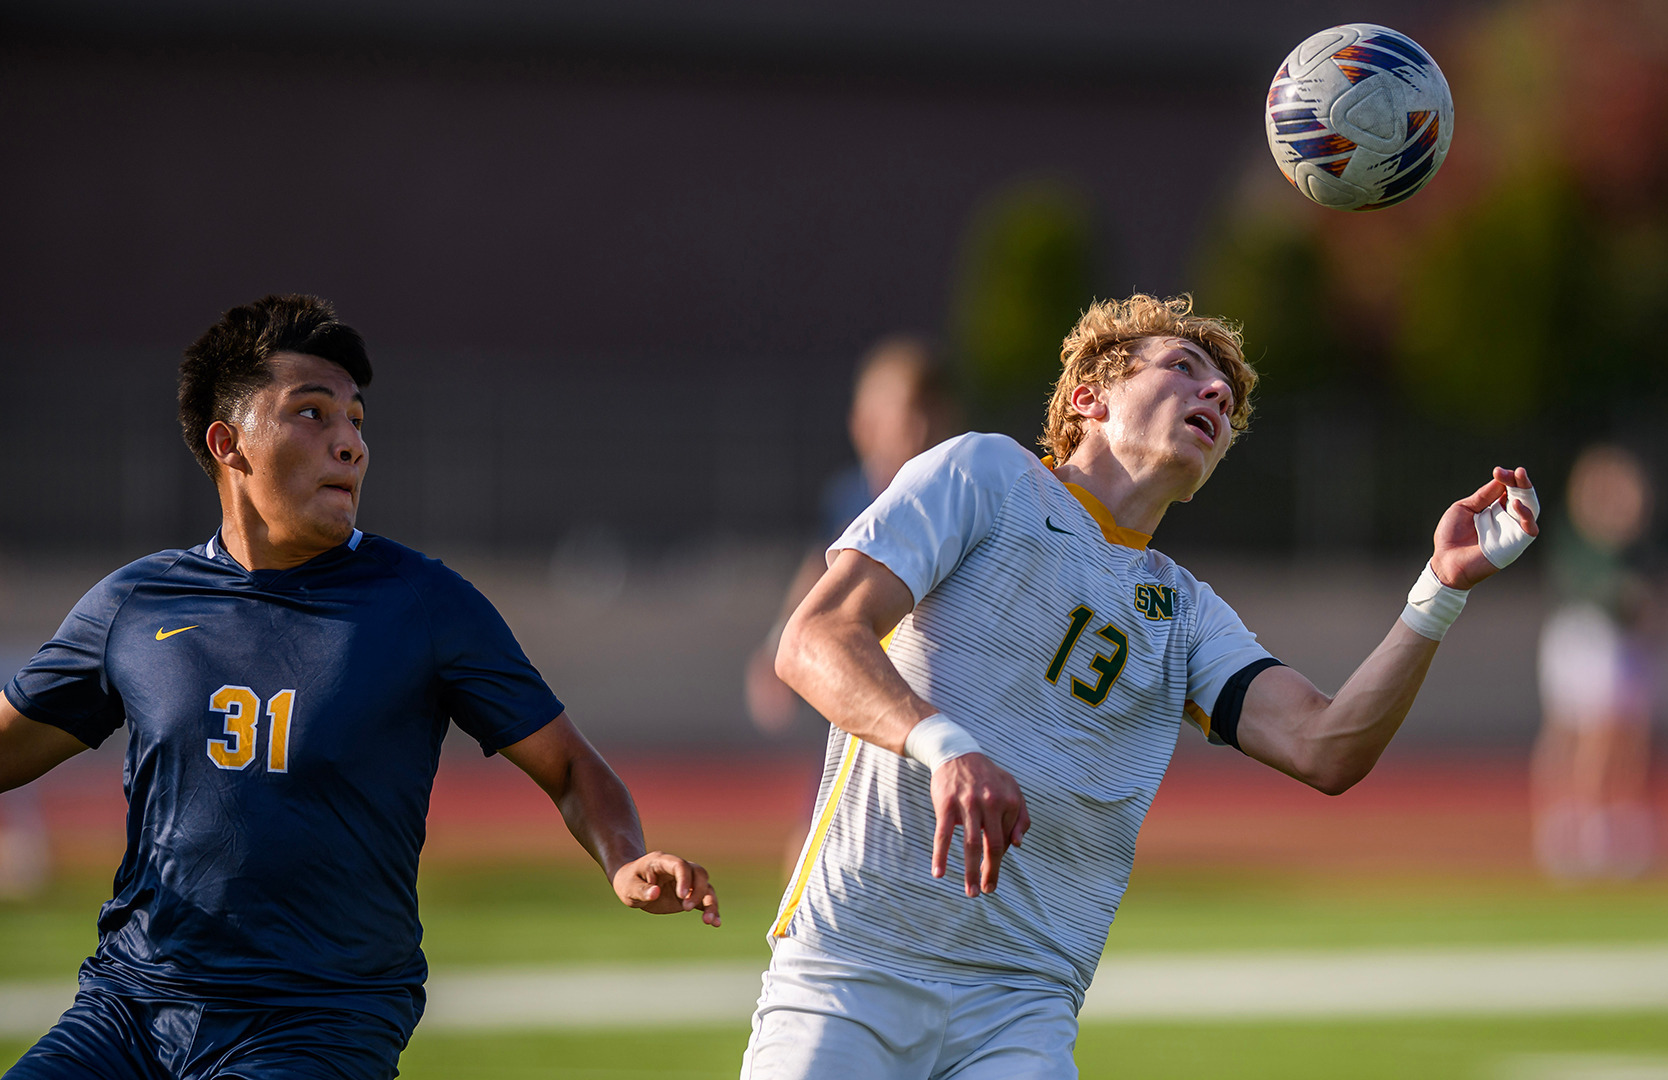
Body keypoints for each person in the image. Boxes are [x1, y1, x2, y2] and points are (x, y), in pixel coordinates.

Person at [740, 294, 1539, 1078]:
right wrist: (945, 745)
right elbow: (813, 639)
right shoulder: (985, 472)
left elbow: (1325, 747)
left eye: (1225, 397)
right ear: (1089, 396)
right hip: (855, 965)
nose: (1217, 395)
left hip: (1021, 1008)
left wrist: (1440, 589)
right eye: (1186, 369)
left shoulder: (1184, 612)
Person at [0, 295, 720, 1080]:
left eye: (357, 421)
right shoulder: (135, 605)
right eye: (312, 414)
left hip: (319, 1022)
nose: (349, 444)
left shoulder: (425, 605)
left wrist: (624, 860)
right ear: (228, 444)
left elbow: (573, 766)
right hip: (128, 1009)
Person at [744, 337, 955, 736]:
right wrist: (776, 644)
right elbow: (821, 571)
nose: (922, 429)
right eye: (909, 415)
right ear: (865, 425)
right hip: (871, 677)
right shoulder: (854, 497)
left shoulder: (952, 496)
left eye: (932, 413)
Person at [1532, 443, 1667, 880]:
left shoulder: (1638, 546)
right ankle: (1578, 830)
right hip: (1586, 636)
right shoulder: (1580, 538)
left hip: (1619, 642)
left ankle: (1612, 824)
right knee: (1582, 735)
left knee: (1623, 737)